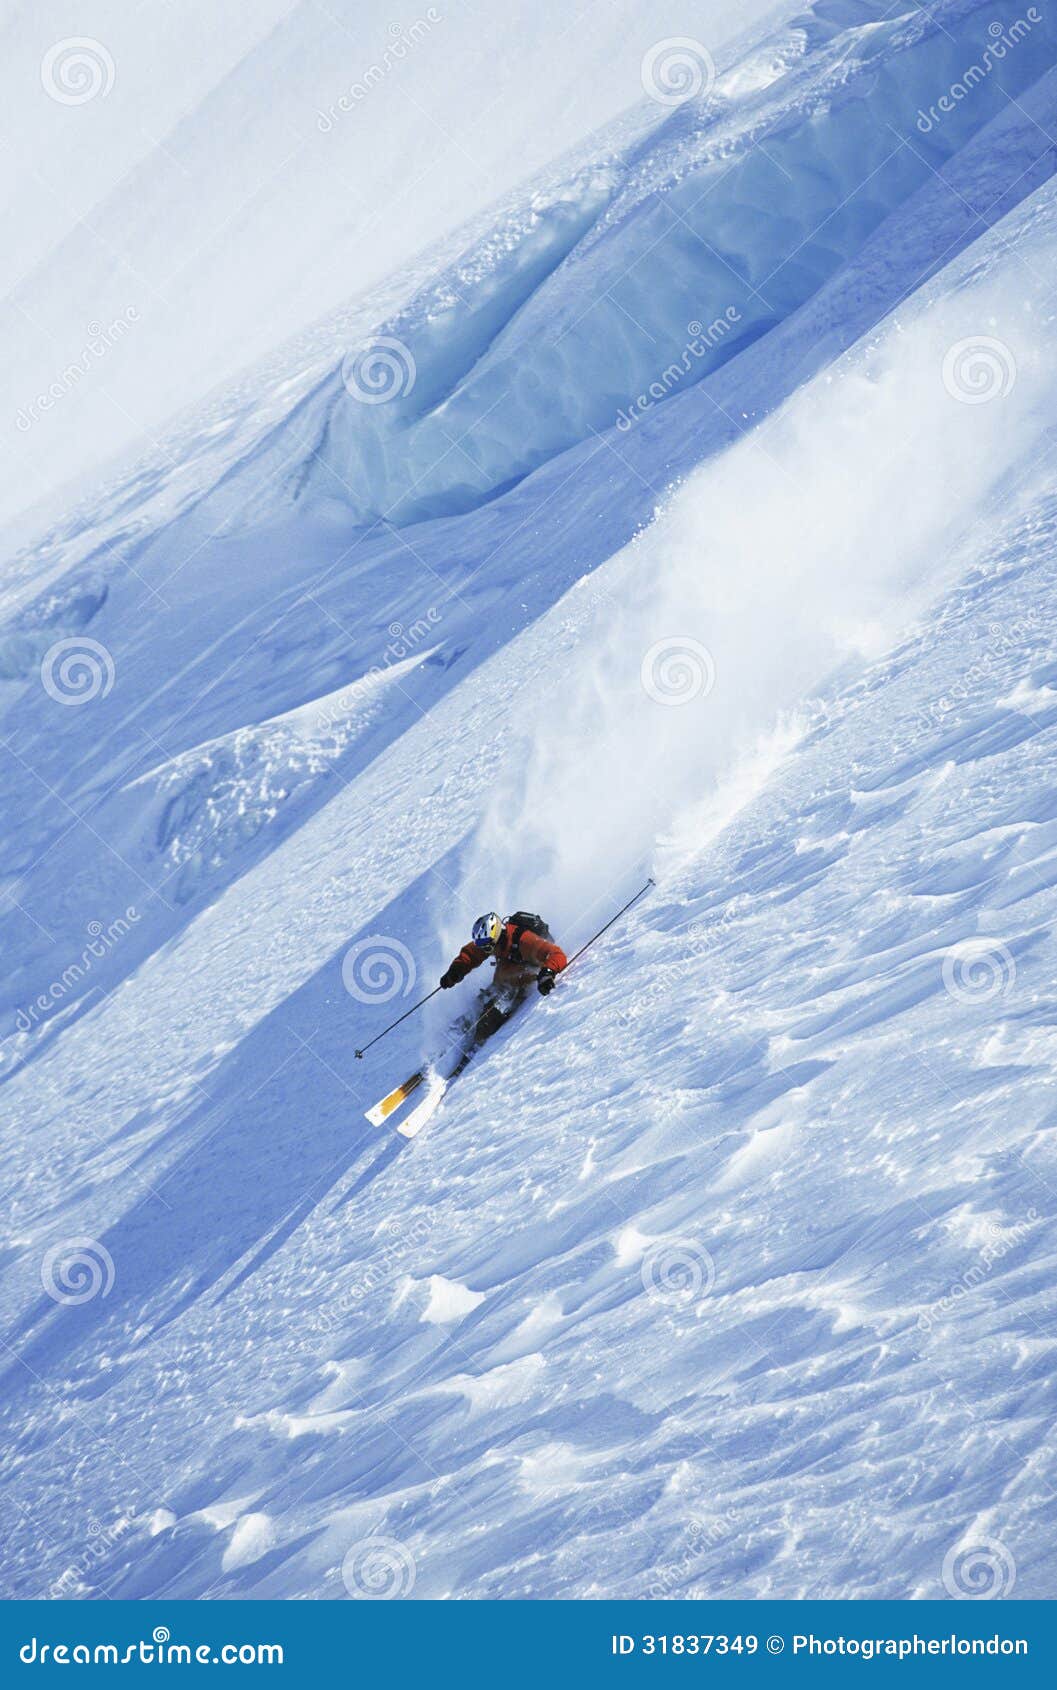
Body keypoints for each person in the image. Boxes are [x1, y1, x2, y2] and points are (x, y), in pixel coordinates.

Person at [440, 911, 568, 997]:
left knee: (505, 975)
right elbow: (471, 954)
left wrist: (547, 973)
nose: (484, 951)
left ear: (495, 939)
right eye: (482, 946)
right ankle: (487, 1000)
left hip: (532, 970)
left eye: (486, 946)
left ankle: (502, 999)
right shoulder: (491, 943)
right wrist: (455, 971)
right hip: (511, 965)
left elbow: (557, 954)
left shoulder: (525, 940)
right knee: (501, 974)